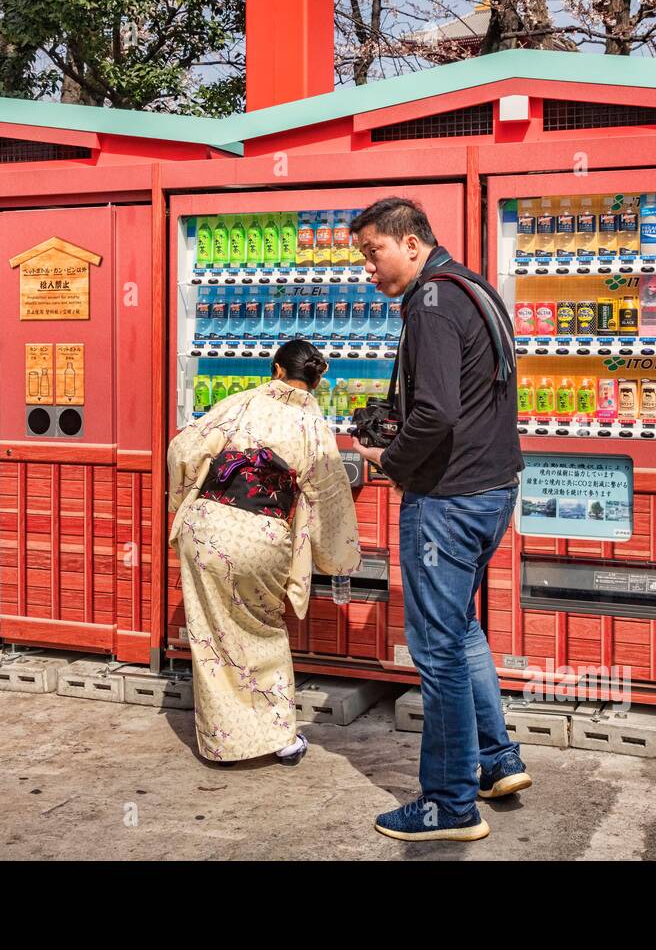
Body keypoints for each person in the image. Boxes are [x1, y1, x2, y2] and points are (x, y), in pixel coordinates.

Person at [349, 197, 531, 842]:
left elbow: (434, 414)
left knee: (438, 652)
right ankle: (497, 761)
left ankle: (448, 805)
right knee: (461, 631)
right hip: (493, 489)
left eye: (373, 253)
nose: (368, 268)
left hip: (448, 501)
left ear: (413, 243)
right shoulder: (474, 288)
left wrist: (387, 459)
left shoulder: (429, 303)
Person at [167, 341, 361, 768]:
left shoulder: (238, 404)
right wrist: (340, 563)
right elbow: (331, 502)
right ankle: (280, 739)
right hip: (261, 533)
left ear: (276, 370)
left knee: (212, 639)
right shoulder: (313, 427)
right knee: (263, 632)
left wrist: (181, 503)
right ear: (316, 380)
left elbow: (183, 450)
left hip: (206, 528)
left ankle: (224, 745)